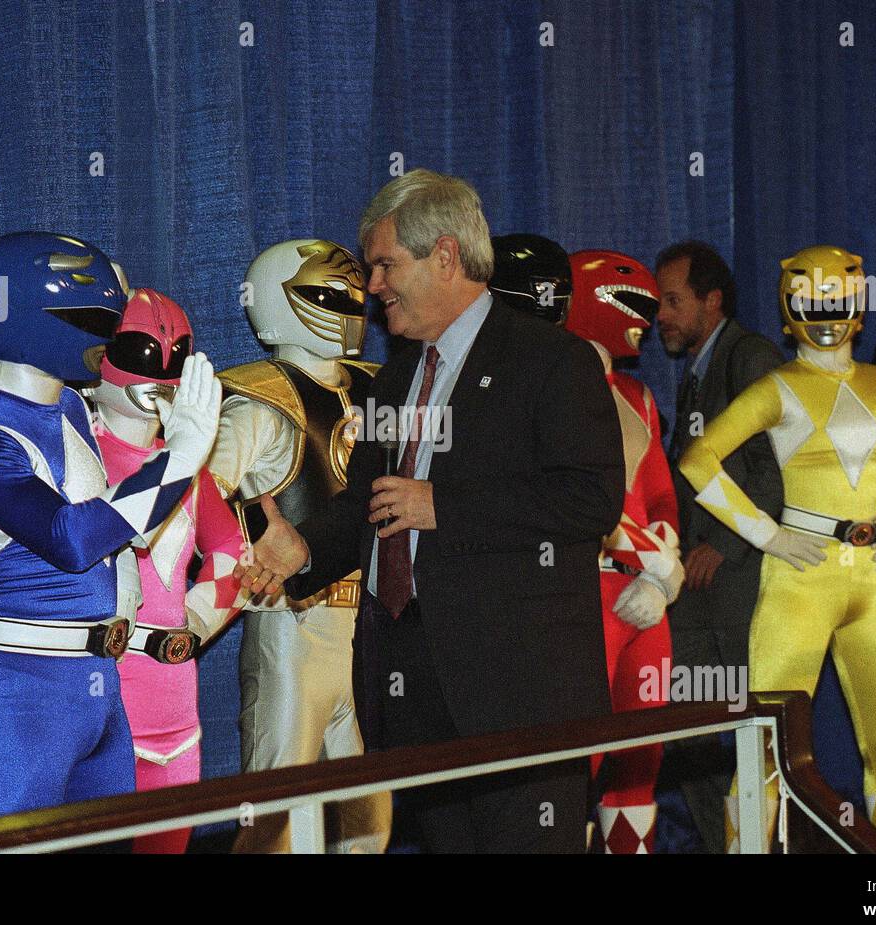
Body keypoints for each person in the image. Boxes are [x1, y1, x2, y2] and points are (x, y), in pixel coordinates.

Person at [234, 169, 623, 853]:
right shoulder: (398, 373)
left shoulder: (552, 361)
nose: (373, 285)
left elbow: (588, 498)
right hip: (412, 693)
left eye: (385, 265)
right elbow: (367, 503)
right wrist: (305, 549)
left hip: (519, 699)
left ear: (445, 257)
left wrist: (444, 505)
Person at [0, 232, 222, 820]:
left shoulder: (67, 408)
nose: (110, 333)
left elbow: (122, 531)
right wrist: (181, 457)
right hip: (19, 690)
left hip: (100, 679)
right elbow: (72, 540)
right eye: (95, 317)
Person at [679, 244, 876, 853]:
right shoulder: (780, 386)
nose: (826, 312)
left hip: (868, 578)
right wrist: (769, 534)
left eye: (836, 299)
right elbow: (697, 461)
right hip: (798, 583)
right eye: (812, 301)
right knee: (765, 753)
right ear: (789, 306)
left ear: (858, 304)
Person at [208, 238, 391, 854]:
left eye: (354, 292)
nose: (349, 306)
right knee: (277, 820)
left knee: (370, 821)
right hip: (289, 625)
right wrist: (254, 540)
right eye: (329, 293)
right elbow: (202, 492)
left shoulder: (379, 388)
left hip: (368, 628)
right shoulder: (262, 397)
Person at [85, 288, 249, 853]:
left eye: (176, 356)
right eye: (140, 352)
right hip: (96, 705)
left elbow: (233, 554)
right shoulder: (75, 453)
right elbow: (89, 537)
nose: (160, 370)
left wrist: (192, 626)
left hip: (176, 708)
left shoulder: (186, 467)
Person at [654, 240, 784, 853]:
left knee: (756, 734)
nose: (662, 316)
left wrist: (724, 544)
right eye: (659, 303)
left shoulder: (750, 358)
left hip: (742, 585)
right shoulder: (699, 368)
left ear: (713, 301)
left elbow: (778, 468)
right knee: (690, 731)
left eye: (674, 302)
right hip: (699, 592)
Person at [564, 249, 684, 853]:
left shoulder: (638, 395)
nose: (644, 318)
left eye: (650, 307)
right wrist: (658, 565)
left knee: (642, 760)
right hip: (582, 592)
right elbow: (582, 503)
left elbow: (660, 495)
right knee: (574, 768)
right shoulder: (553, 391)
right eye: (629, 302)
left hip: (643, 599)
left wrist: (664, 577)